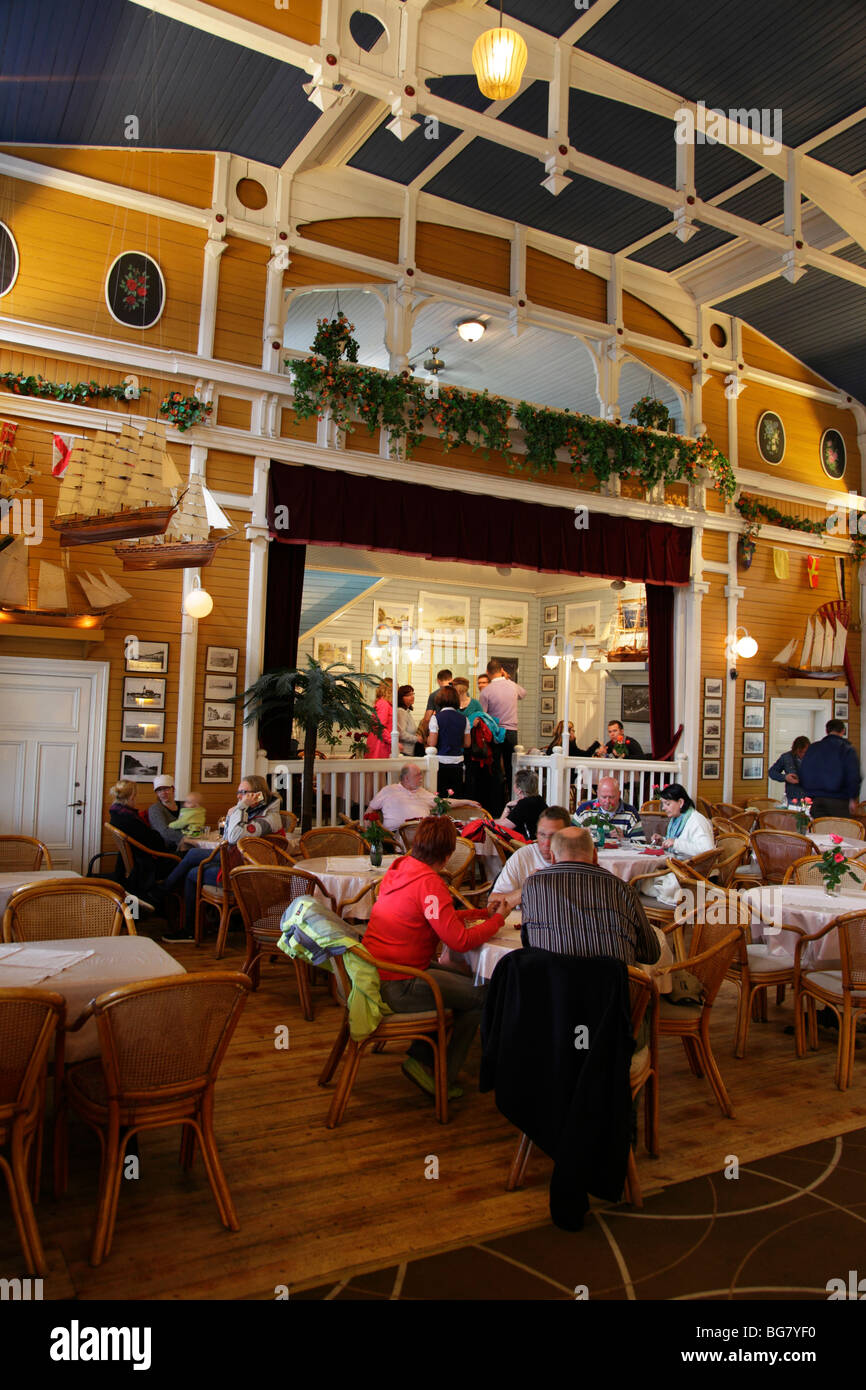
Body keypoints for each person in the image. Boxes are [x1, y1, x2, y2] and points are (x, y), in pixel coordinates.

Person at [363, 815, 505, 1097]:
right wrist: (498, 919)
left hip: (378, 972)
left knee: (467, 982)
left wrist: (480, 914)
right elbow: (459, 940)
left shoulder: (401, 868)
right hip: (399, 983)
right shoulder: (428, 883)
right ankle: (436, 1073)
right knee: (484, 995)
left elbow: (438, 917)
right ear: (449, 854)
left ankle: (424, 1055)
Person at [159, 774, 282, 941]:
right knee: (193, 854)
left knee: (192, 873)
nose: (239, 796)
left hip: (247, 874)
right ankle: (165, 895)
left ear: (258, 794)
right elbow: (230, 837)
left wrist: (240, 807)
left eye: (244, 792)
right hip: (238, 859)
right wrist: (241, 808)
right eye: (238, 792)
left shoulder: (269, 819)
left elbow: (232, 837)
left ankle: (189, 928)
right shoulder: (253, 810)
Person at [521, 827, 660, 967]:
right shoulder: (623, 889)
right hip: (612, 986)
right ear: (595, 855)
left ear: (552, 857)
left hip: (550, 985)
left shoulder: (533, 884)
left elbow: (528, 944)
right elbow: (651, 954)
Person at [487, 807, 572, 915]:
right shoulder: (523, 856)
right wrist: (529, 889)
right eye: (542, 835)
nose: (546, 843)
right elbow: (492, 900)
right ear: (536, 834)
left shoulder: (577, 858)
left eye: (553, 836)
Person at [646, 783, 714, 903]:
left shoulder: (696, 820)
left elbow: (708, 850)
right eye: (663, 804)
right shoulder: (678, 819)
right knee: (644, 878)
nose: (663, 808)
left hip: (691, 875)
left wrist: (675, 843)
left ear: (681, 803)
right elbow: (682, 841)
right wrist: (663, 840)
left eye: (667, 804)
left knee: (644, 881)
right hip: (679, 868)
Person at [479, 658, 526, 810]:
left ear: (488, 673)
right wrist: (508, 679)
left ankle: (497, 806)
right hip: (511, 732)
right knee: (511, 767)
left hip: (495, 732)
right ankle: (514, 801)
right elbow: (523, 693)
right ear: (502, 671)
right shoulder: (512, 686)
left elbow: (483, 716)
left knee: (496, 770)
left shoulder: (486, 691)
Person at [797, 720, 861, 818]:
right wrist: (853, 798)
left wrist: (808, 792)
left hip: (817, 800)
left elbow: (804, 771)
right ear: (843, 731)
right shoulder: (846, 749)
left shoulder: (813, 748)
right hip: (840, 801)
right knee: (839, 832)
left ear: (827, 731)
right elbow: (853, 776)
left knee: (818, 832)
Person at [365, 763, 436, 833]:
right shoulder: (388, 790)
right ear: (407, 778)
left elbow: (442, 805)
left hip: (422, 834)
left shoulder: (424, 793)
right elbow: (369, 811)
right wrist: (370, 835)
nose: (421, 777)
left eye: (421, 774)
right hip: (394, 835)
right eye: (417, 775)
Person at [573, 776, 643, 845]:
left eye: (611, 797)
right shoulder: (585, 809)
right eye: (604, 797)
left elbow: (641, 843)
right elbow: (568, 839)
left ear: (619, 794)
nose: (607, 801)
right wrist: (581, 836)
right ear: (597, 794)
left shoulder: (630, 812)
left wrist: (623, 838)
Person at [427, 683, 469, 796]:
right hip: (458, 762)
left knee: (440, 796)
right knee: (455, 795)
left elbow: (432, 743)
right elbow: (467, 743)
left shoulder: (436, 718)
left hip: (441, 762)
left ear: (440, 699)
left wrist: (427, 739)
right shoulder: (464, 719)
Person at [501, 769, 546, 840]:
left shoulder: (524, 804)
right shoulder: (538, 799)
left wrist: (506, 809)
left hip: (528, 845)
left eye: (514, 783)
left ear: (519, 789)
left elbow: (502, 828)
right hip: (538, 842)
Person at [768, 736, 810, 804]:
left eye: (805, 752)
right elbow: (771, 772)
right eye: (800, 752)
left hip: (809, 797)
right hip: (792, 798)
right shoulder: (786, 757)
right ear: (795, 749)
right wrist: (785, 777)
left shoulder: (814, 757)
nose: (802, 754)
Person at [148, 774, 182, 850]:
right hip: (169, 849)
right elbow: (164, 832)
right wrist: (187, 837)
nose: (163, 793)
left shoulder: (184, 805)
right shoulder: (155, 809)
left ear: (173, 789)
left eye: (166, 789)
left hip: (190, 844)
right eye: (159, 790)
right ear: (156, 793)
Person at [366, 681, 393, 759]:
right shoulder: (384, 704)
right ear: (390, 690)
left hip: (382, 744)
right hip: (380, 745)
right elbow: (380, 727)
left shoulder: (384, 704)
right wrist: (392, 741)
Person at [395, 684, 420, 757]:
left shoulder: (407, 712)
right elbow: (401, 734)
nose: (412, 697)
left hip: (409, 752)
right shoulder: (401, 711)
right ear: (401, 698)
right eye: (409, 695)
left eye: (413, 694)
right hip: (404, 752)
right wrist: (417, 739)